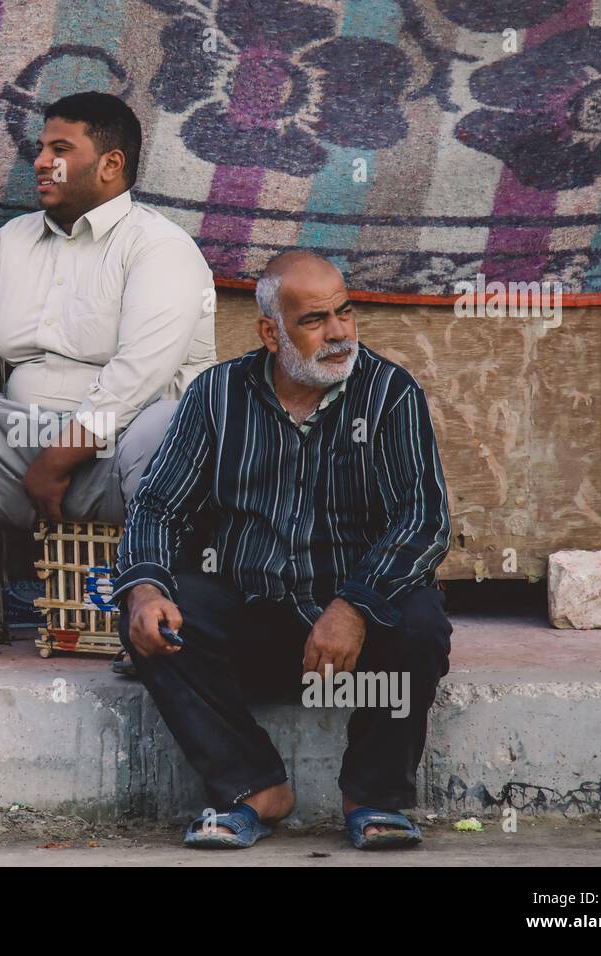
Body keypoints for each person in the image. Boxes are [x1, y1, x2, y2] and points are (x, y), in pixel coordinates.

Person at [113, 251, 453, 849]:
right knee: (155, 614)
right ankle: (251, 788)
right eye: (316, 320)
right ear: (271, 332)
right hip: (256, 621)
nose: (340, 332)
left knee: (421, 620)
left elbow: (423, 521)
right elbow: (158, 505)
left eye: (345, 312)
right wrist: (145, 587)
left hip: (357, 643)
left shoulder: (390, 394)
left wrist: (353, 607)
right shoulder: (218, 395)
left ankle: (373, 795)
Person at [0, 91, 217, 667]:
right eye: (40, 148)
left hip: (123, 461)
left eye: (60, 149)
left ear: (111, 165)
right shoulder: (13, 241)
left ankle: (158, 619)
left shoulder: (160, 248)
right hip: (26, 456)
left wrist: (56, 463)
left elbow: (137, 376)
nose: (39, 161)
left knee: (173, 420)